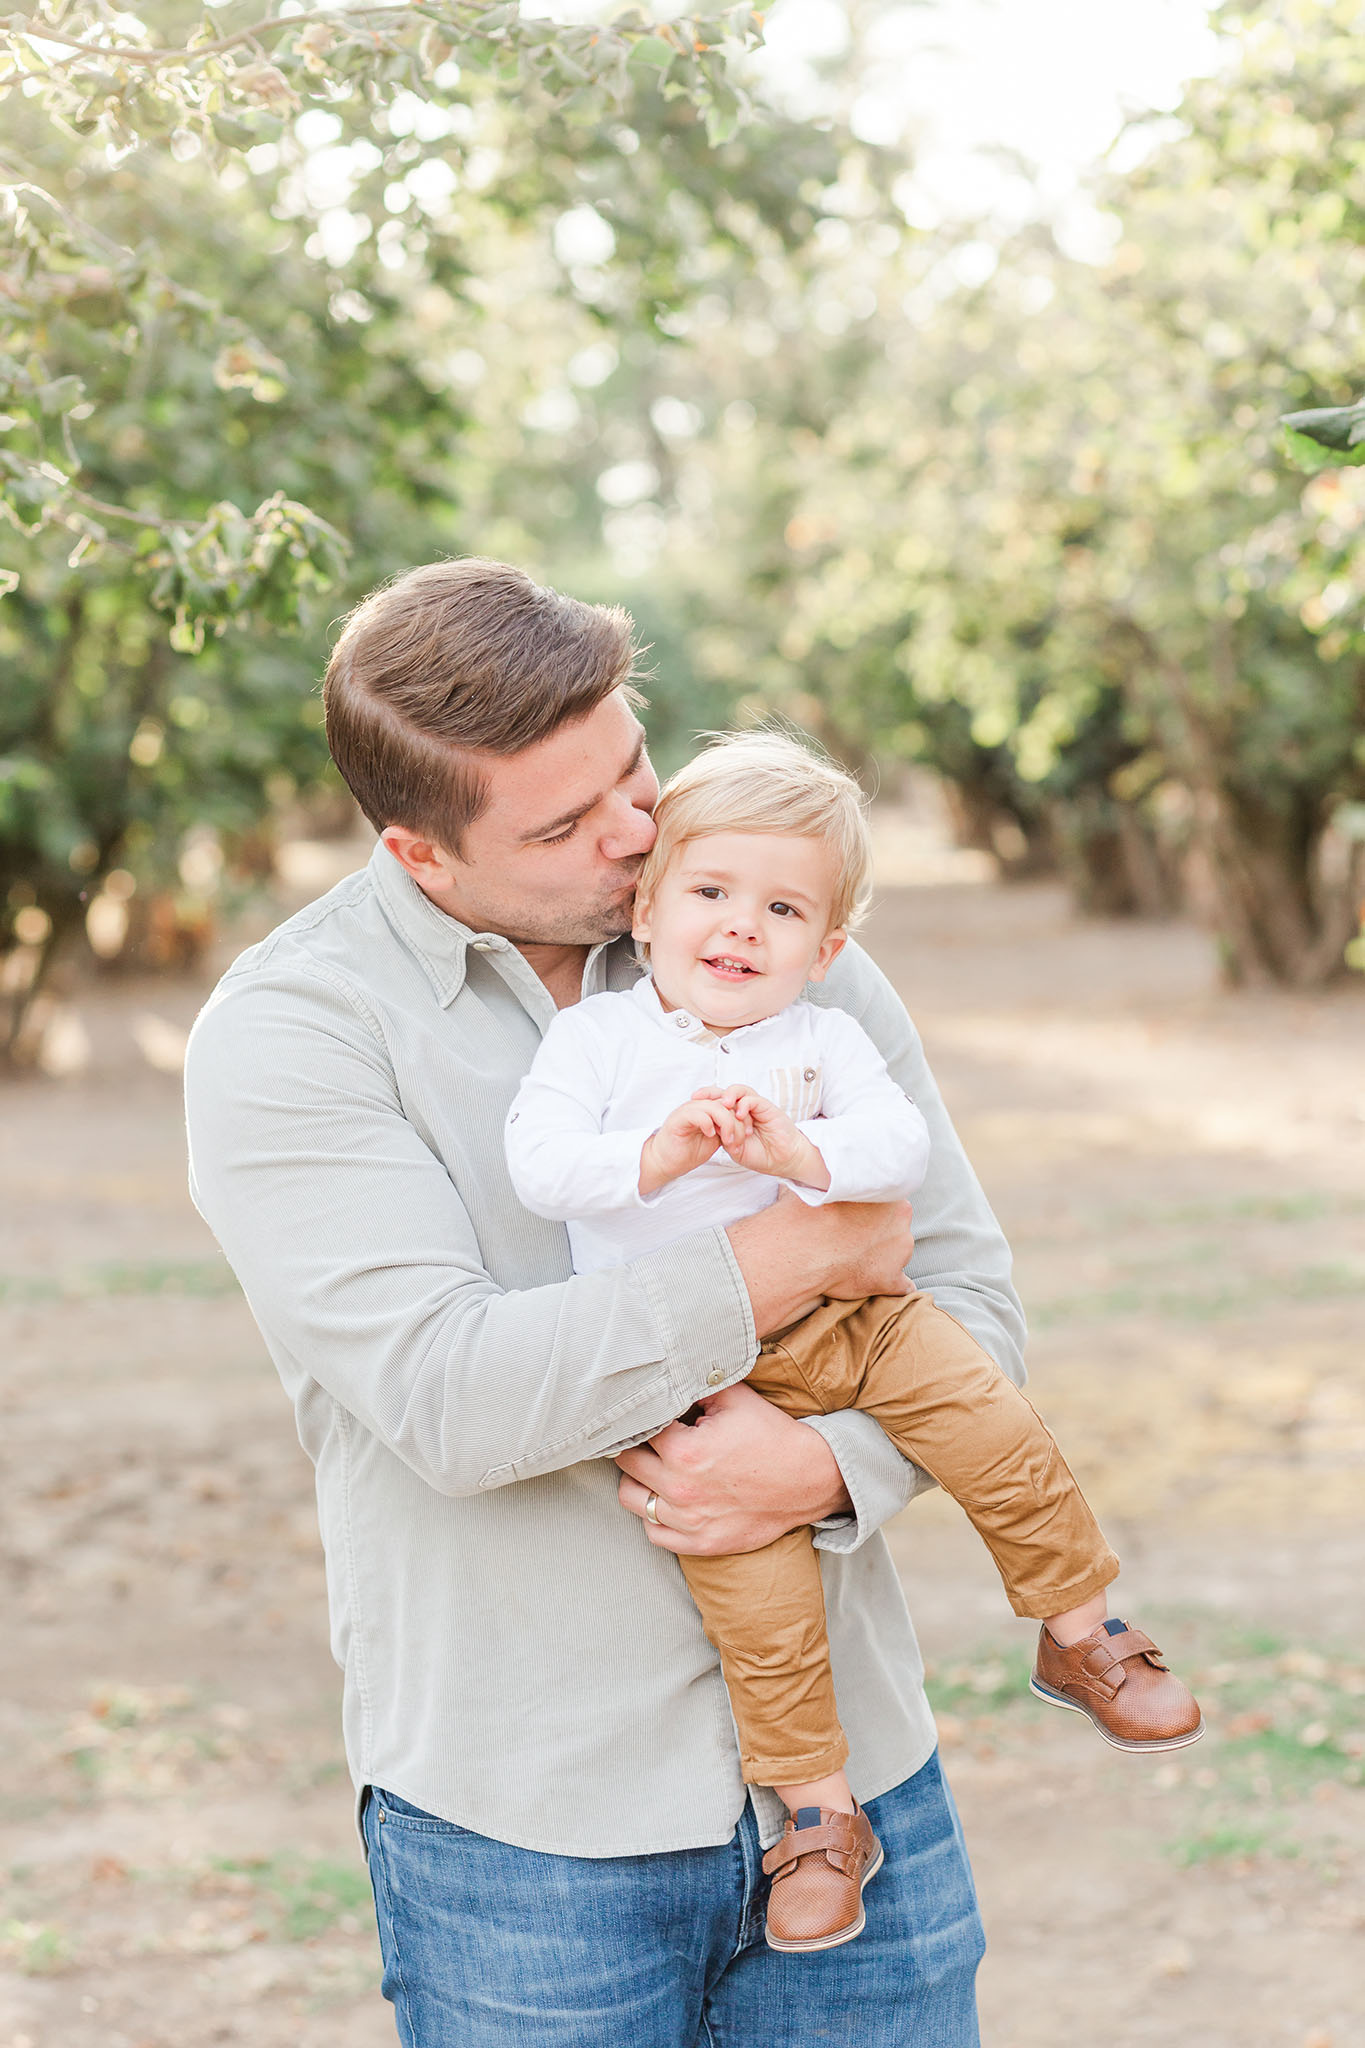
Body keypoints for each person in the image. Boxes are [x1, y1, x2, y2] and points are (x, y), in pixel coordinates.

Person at [186, 557, 1021, 2046]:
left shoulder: (782, 944)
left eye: (632, 771)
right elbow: (454, 1397)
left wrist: (838, 1464)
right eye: (567, 826)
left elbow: (964, 1289)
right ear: (420, 853)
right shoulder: (292, 1035)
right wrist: (798, 1258)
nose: (641, 833)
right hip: (525, 1838)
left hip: (855, 1783)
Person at [504, 729, 1203, 1953]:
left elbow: (902, 1153)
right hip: (700, 1378)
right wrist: (652, 1156)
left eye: (782, 909)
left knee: (992, 1419)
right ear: (650, 906)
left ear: (826, 946)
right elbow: (542, 1163)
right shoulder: (599, 1040)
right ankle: (821, 1818)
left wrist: (799, 1154)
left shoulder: (822, 1038)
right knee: (759, 1601)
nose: (741, 928)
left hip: (857, 1322)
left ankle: (1081, 1627)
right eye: (711, 893)